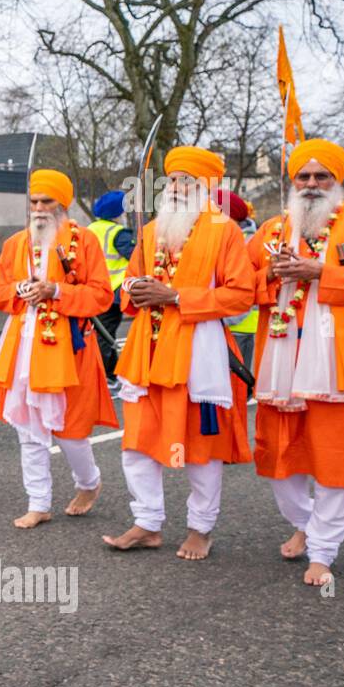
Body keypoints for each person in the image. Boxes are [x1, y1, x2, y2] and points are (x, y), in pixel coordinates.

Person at [104, 146, 255, 560]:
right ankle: (147, 523)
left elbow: (242, 295)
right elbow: (129, 284)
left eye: (186, 181)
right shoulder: (151, 231)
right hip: (145, 353)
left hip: (196, 354)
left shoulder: (224, 230)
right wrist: (133, 290)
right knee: (136, 444)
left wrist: (175, 297)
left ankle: (201, 529)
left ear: (206, 187)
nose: (176, 187)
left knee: (199, 447)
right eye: (172, 180)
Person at [246, 139, 344, 586]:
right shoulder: (271, 231)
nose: (311, 184)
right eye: (303, 176)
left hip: (339, 362)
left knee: (337, 457)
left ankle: (323, 549)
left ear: (338, 181)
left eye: (321, 176)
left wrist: (322, 273)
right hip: (281, 359)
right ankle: (305, 521)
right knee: (281, 455)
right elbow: (243, 288)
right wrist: (271, 274)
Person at [0, 169, 117, 528]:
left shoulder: (84, 241)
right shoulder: (16, 243)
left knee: (71, 430)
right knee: (28, 429)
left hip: (69, 350)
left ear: (64, 205)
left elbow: (102, 295)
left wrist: (56, 292)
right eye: (34, 202)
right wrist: (19, 290)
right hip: (24, 347)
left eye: (47, 202)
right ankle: (38, 502)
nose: (39, 208)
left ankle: (89, 483)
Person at [85, 189, 135, 389]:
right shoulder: (118, 233)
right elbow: (135, 257)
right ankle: (107, 375)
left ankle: (111, 372)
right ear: (118, 212)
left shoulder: (90, 229)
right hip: (113, 291)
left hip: (93, 289)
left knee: (102, 331)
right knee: (105, 334)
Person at [214, 188, 259, 370]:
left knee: (236, 387)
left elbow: (243, 287)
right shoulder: (225, 239)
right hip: (225, 324)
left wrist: (222, 320)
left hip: (238, 326)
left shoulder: (245, 243)